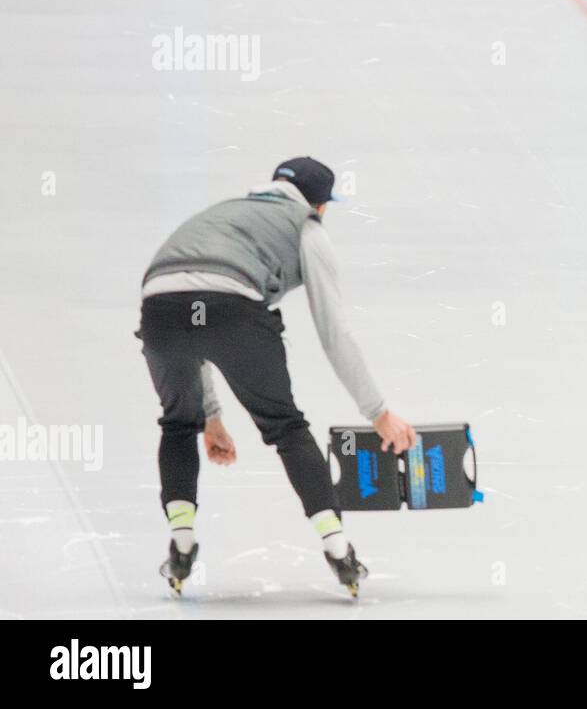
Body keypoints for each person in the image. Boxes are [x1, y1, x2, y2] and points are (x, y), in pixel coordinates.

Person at [135, 156, 417, 596]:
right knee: (286, 428)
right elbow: (333, 333)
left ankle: (182, 543)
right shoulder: (307, 228)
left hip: (158, 306)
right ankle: (339, 551)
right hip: (233, 311)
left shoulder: (223, 213)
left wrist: (207, 416)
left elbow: (194, 302)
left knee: (176, 424)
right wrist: (378, 412)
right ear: (320, 205)